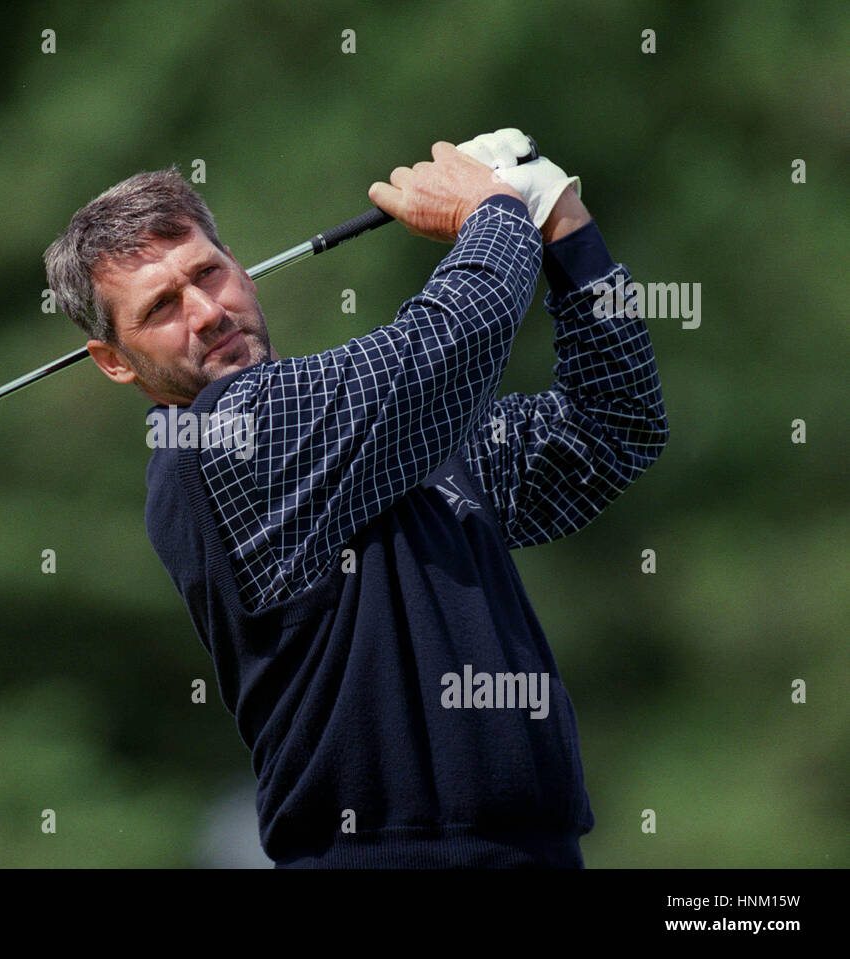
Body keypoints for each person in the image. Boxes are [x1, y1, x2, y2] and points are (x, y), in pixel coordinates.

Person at [44, 131, 668, 868]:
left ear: (242, 268)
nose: (206, 311)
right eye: (161, 308)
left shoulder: (393, 437)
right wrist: (498, 208)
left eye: (209, 273)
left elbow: (614, 424)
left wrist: (567, 229)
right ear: (115, 362)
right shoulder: (212, 446)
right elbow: (450, 343)